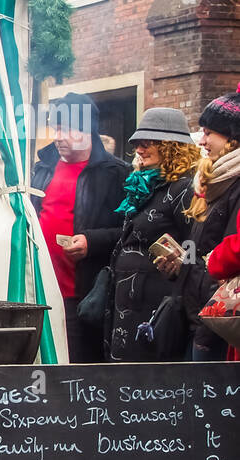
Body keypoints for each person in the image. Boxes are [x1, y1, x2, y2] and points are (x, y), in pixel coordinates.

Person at [29, 93, 129, 363]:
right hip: (40, 291)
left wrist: (91, 241)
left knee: (76, 373)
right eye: (56, 127)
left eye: (66, 128)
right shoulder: (42, 168)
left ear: (88, 131)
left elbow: (130, 232)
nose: (58, 136)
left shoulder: (115, 173)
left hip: (83, 297)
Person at [103, 108, 201, 362]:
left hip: (157, 307)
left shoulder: (184, 188)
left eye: (148, 143)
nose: (139, 149)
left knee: (148, 386)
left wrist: (181, 262)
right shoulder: (145, 185)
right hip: (127, 302)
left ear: (171, 147)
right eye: (137, 143)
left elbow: (196, 243)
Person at [158, 92, 240, 361]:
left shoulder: (234, 183)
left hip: (219, 320)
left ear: (232, 137)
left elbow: (223, 254)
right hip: (195, 314)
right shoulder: (212, 180)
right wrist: (180, 261)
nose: (202, 140)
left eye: (209, 133)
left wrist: (204, 262)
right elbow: (200, 245)